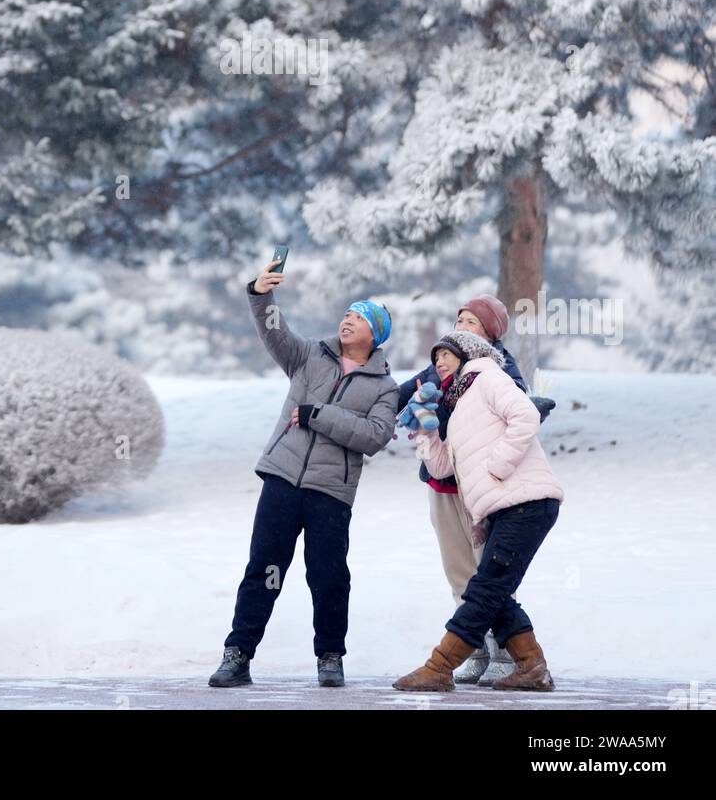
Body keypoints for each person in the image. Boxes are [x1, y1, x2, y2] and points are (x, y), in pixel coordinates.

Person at [208, 260, 399, 689]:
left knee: (328, 576)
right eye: (347, 314)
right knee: (264, 569)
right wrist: (260, 293)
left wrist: (319, 415)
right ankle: (237, 655)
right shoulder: (309, 355)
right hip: (282, 480)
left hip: (331, 493)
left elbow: (374, 435)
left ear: (376, 335)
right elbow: (273, 331)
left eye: (360, 317)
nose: (348, 321)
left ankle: (330, 657)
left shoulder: (384, 387)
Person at [393, 326, 564, 692]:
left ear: (468, 355)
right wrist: (424, 431)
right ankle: (532, 666)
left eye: (446, 355)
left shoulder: (488, 379)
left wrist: (497, 467)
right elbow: (441, 468)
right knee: (493, 590)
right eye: (435, 357)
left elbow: (526, 417)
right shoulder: (456, 404)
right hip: (502, 508)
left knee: (484, 590)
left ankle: (439, 666)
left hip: (526, 501)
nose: (438, 362)